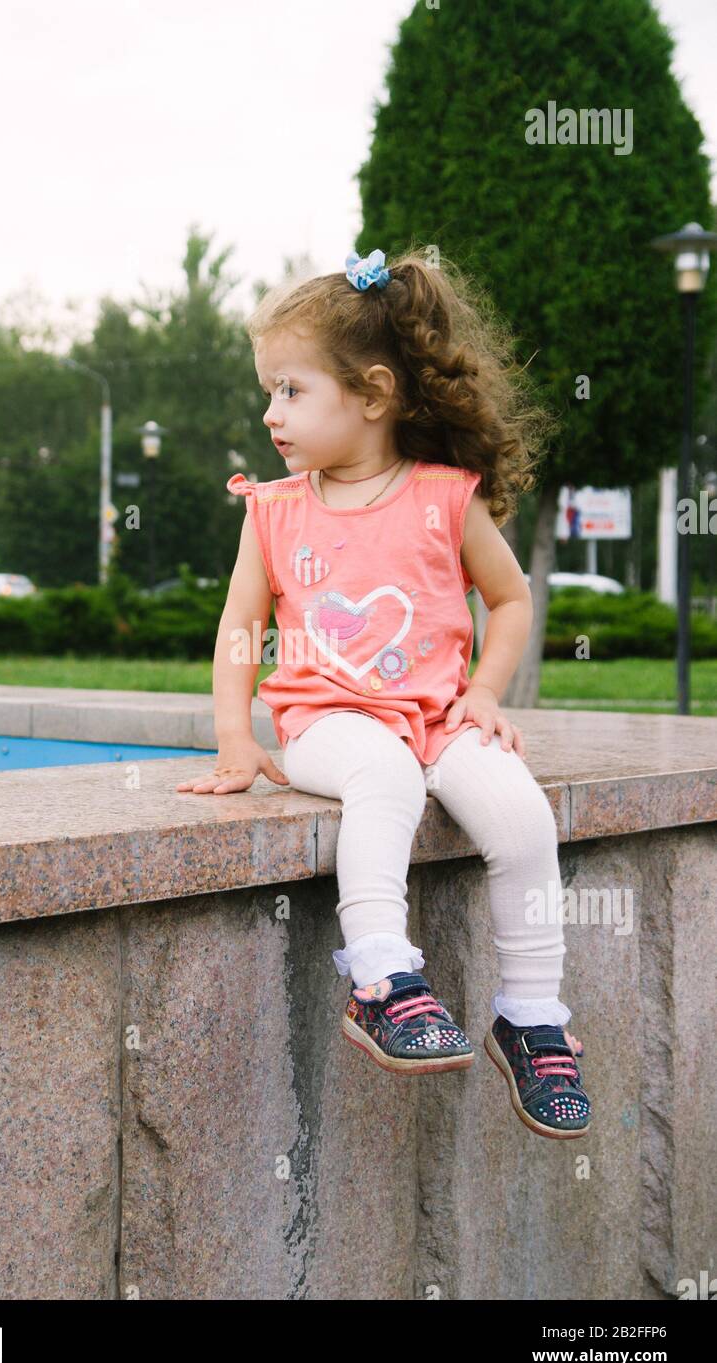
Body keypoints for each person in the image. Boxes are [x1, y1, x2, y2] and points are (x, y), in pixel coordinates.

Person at [176, 244, 590, 1140]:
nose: (270, 412)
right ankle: (380, 978)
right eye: (270, 391)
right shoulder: (276, 509)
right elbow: (241, 626)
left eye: (292, 390)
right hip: (329, 720)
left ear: (371, 394)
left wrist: (484, 692)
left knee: (520, 817)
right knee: (387, 783)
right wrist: (238, 738)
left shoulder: (445, 497)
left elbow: (511, 598)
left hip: (441, 717)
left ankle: (532, 1019)